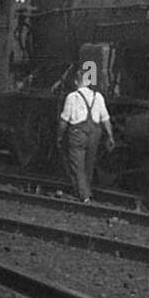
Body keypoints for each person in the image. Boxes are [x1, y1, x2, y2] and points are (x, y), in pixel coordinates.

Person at [57, 66, 115, 203]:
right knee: (89, 164)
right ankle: (84, 190)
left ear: (76, 82)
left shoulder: (72, 97)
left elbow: (64, 121)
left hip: (78, 133)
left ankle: (84, 196)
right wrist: (110, 136)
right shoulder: (98, 96)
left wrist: (59, 136)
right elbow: (106, 119)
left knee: (77, 165)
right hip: (95, 133)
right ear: (88, 82)